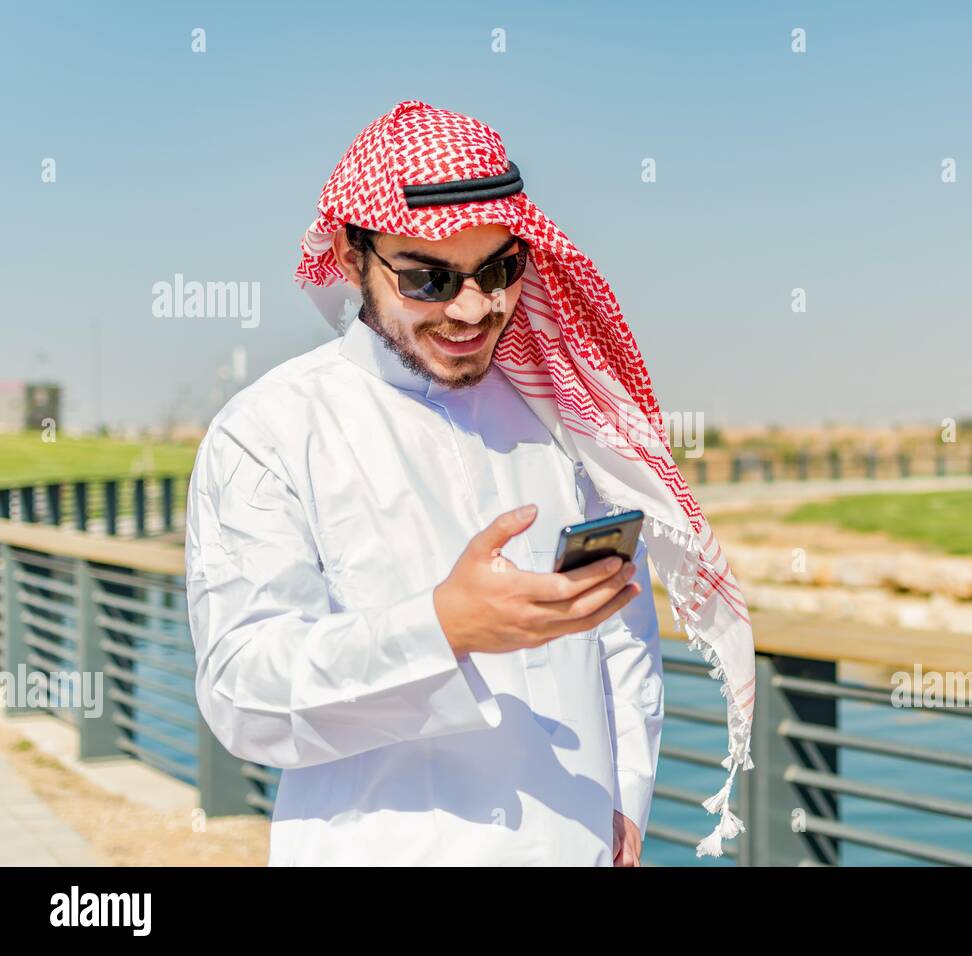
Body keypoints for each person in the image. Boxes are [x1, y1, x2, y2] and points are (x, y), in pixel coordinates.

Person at [184, 101, 755, 866]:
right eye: (429, 279)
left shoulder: (559, 417)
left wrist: (627, 802)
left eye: (499, 271)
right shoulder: (271, 431)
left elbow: (623, 635)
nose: (473, 308)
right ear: (355, 255)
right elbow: (243, 694)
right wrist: (442, 628)